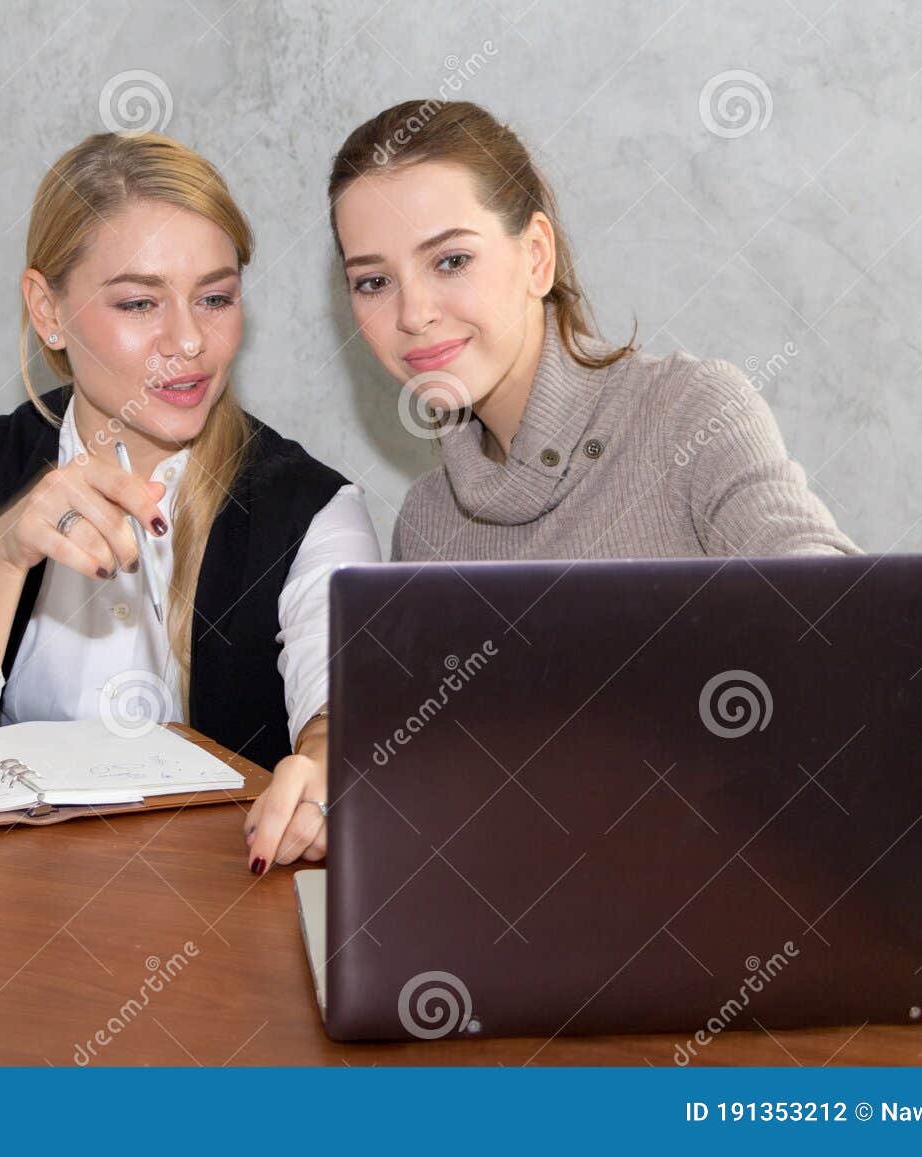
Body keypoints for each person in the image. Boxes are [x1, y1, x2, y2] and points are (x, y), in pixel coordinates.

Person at [243, 100, 858, 872]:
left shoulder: (689, 413)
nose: (413, 313)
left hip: (734, 885)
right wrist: (351, 797)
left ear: (537, 256)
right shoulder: (428, 524)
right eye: (373, 281)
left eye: (450, 260)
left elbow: (842, 627)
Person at [0, 132, 381, 880]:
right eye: (140, 302)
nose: (189, 340)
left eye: (215, 298)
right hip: (0, 901)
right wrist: (4, 551)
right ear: (48, 310)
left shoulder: (315, 508)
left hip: (218, 913)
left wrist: (329, 762)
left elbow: (340, 702)